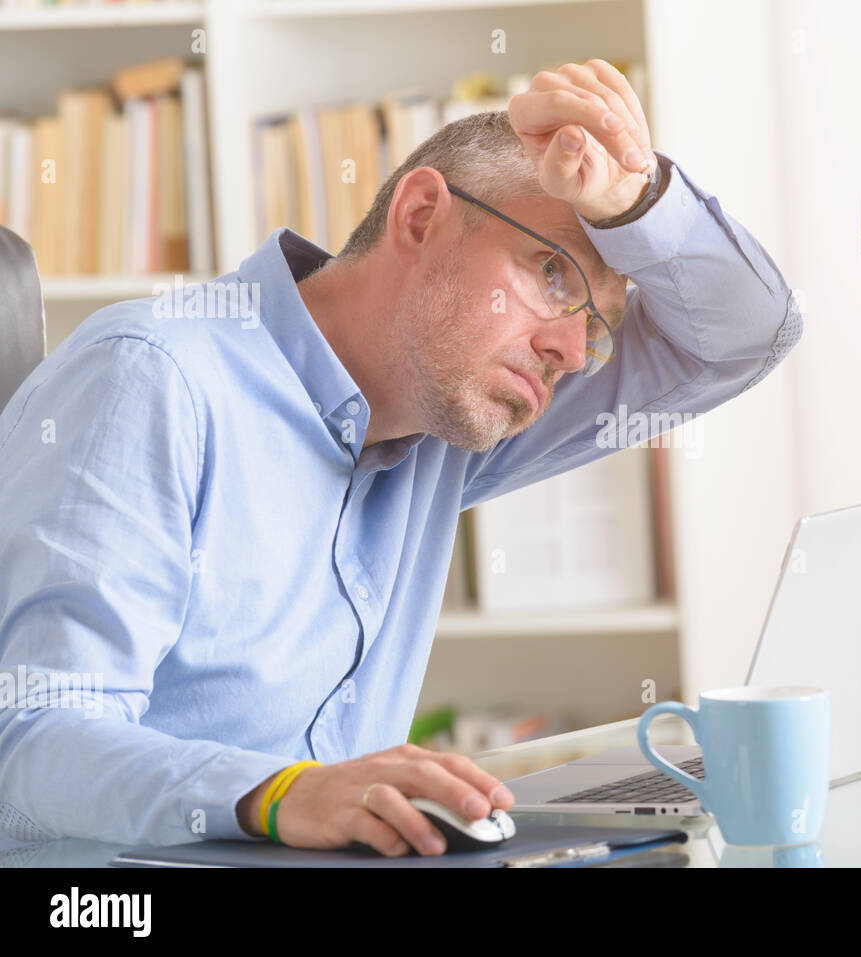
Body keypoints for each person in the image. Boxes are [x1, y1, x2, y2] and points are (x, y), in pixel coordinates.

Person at [0, 60, 802, 856]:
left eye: (596, 327)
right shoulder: (152, 376)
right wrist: (281, 792)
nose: (568, 348)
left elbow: (744, 338)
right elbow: (31, 738)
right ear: (420, 217)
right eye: (552, 274)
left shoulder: (446, 418)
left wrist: (640, 202)